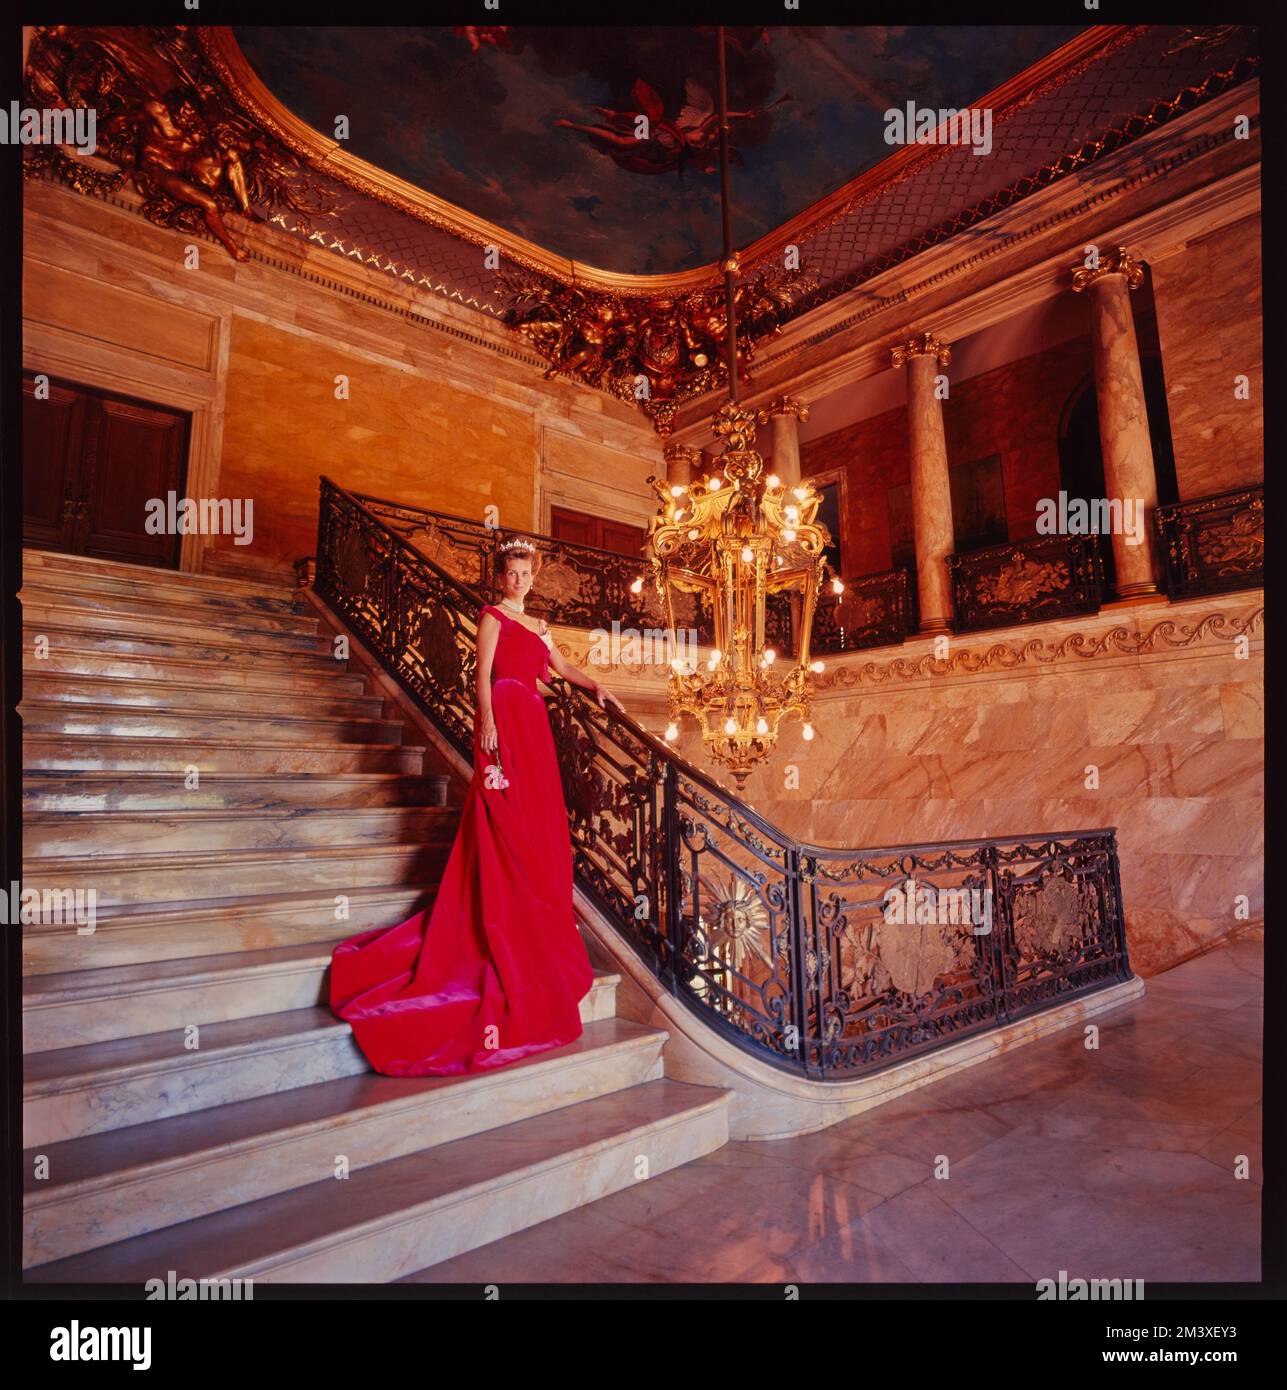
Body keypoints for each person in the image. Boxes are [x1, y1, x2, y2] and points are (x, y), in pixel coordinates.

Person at [328, 538, 624, 1076]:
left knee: (538, 828)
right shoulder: (491, 616)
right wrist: (485, 726)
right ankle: (500, 922)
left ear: (533, 575)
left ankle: (534, 923)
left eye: (523, 573)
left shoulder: (538, 627)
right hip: (506, 717)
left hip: (534, 725)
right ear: (501, 577)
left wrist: (596, 684)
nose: (517, 580)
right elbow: (481, 677)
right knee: (503, 820)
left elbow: (558, 666)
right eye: (509, 573)